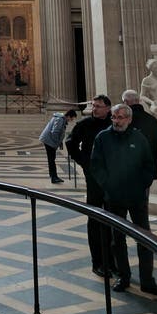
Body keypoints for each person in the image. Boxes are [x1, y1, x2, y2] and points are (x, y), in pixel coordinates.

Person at [91, 103, 157, 296]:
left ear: (129, 119)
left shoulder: (138, 138)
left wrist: (141, 185)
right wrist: (108, 185)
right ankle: (123, 277)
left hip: (136, 197)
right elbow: (97, 166)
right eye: (114, 117)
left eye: (120, 118)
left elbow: (148, 165)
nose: (116, 121)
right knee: (117, 240)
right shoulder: (103, 138)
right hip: (114, 197)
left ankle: (147, 281)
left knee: (145, 239)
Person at [66, 95, 114, 277]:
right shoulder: (85, 124)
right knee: (95, 218)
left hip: (113, 178)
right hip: (94, 177)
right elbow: (70, 143)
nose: (95, 109)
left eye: (99, 106)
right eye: (93, 106)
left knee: (114, 218)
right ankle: (98, 262)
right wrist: (84, 163)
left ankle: (113, 261)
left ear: (108, 108)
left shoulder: (113, 122)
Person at [122, 89, 157, 180]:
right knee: (145, 191)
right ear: (138, 100)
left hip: (130, 167)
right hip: (149, 165)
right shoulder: (153, 120)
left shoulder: (125, 120)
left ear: (125, 102)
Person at [39, 109, 77, 184]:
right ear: (69, 116)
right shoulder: (60, 119)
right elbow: (55, 132)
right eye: (72, 118)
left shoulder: (61, 119)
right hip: (49, 140)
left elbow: (58, 132)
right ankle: (54, 177)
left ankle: (53, 175)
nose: (71, 120)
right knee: (51, 159)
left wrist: (59, 143)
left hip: (49, 140)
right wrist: (56, 143)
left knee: (51, 159)